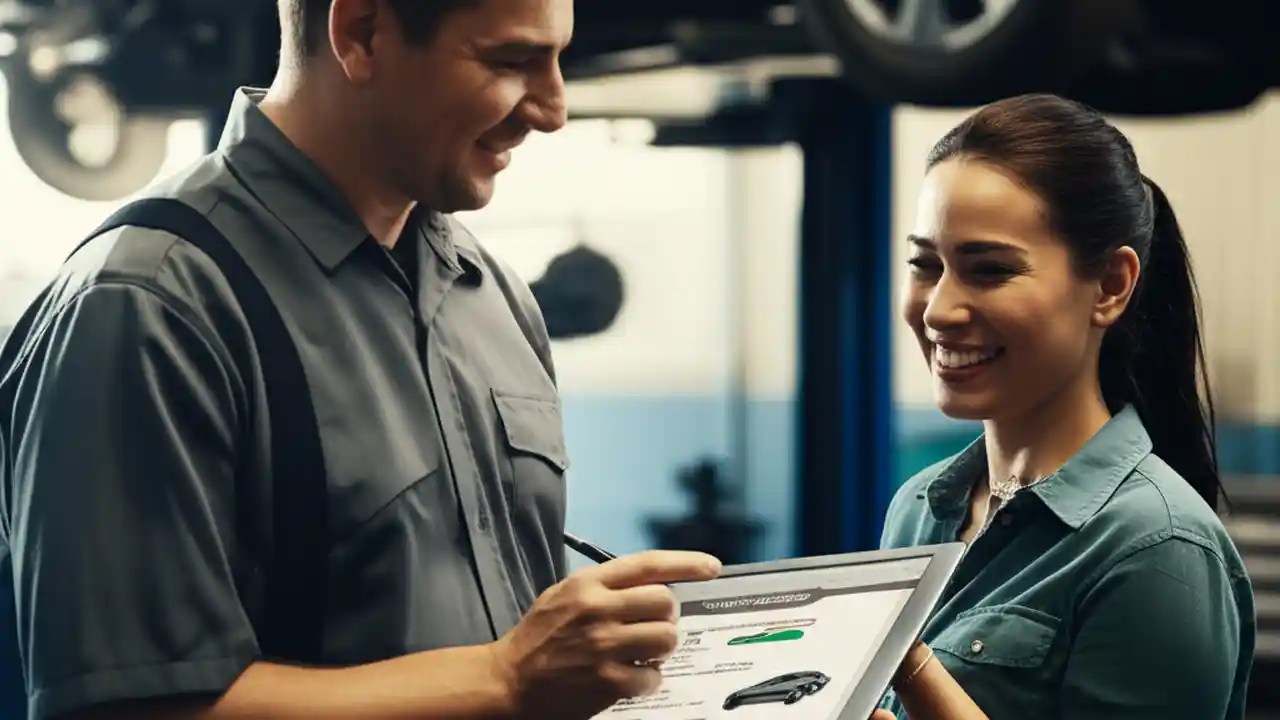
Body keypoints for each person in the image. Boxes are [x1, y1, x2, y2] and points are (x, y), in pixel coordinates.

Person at [0, 0, 721, 718]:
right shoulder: (147, 307)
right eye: (510, 62)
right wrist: (504, 680)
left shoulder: (492, 296)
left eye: (558, 58)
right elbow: (129, 707)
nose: (552, 110)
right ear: (363, 33)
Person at [875, 94, 1255, 719]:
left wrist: (907, 659)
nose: (939, 309)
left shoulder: (1157, 547)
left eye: (990, 269)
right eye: (925, 264)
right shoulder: (918, 507)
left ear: (1110, 286)